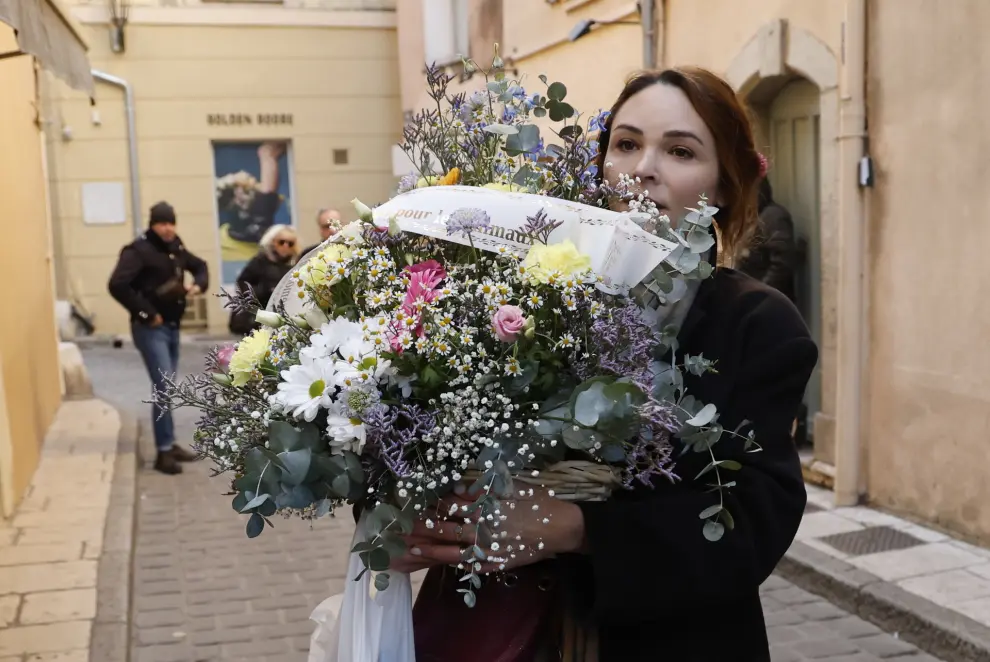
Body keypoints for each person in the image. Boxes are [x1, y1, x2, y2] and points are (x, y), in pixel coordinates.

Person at [394, 68, 819, 661]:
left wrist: (570, 526)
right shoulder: (530, 288)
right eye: (626, 143)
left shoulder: (758, 324)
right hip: (500, 626)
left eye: (679, 150)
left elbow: (752, 526)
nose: (644, 167)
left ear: (723, 185)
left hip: (669, 641)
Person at [108, 202, 209, 475]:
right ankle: (163, 452)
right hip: (150, 329)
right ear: (153, 224)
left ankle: (170, 442)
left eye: (171, 223)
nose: (167, 228)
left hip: (172, 326)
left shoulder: (174, 246)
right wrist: (146, 313)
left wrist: (198, 284)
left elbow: (200, 265)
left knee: (168, 388)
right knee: (163, 386)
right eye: (162, 223)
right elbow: (117, 284)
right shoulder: (138, 251)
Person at [229, 224, 300, 336]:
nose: (285, 246)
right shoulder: (259, 262)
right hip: (255, 323)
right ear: (273, 242)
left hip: (281, 323)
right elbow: (241, 287)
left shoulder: (294, 266)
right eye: (281, 242)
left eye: (290, 243)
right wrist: (266, 290)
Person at [737, 177, 798, 303]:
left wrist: (762, 293)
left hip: (771, 302)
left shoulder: (774, 216)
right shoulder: (755, 216)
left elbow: (782, 264)